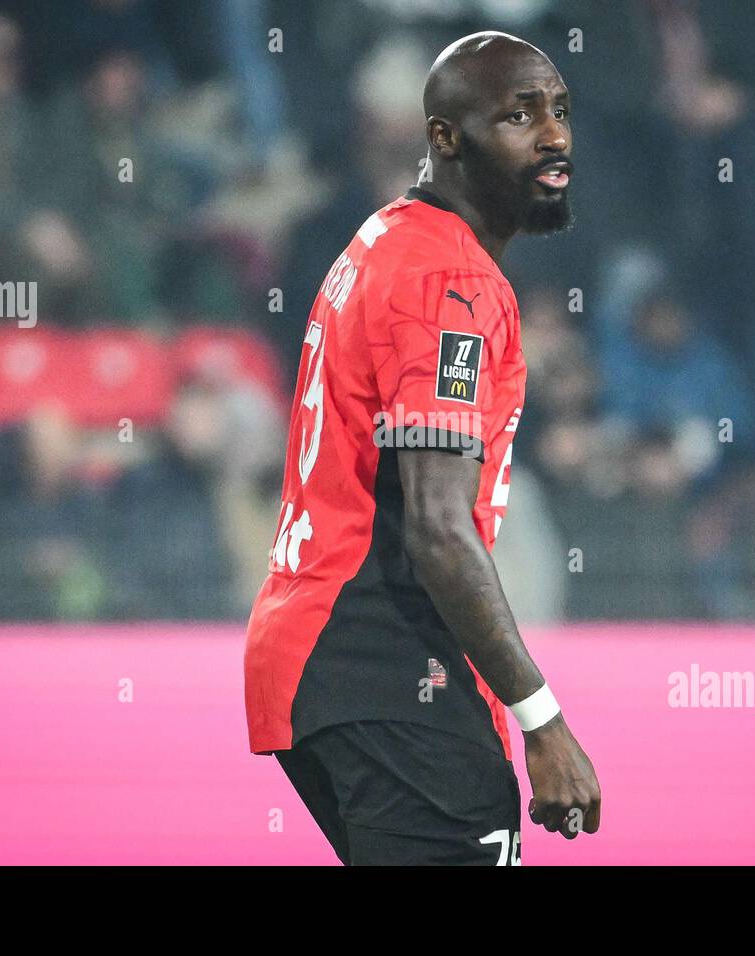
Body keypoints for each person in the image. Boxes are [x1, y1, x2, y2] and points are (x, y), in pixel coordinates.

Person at [243, 31, 601, 865]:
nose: (554, 135)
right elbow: (437, 526)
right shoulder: (449, 281)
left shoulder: (388, 239)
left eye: (559, 111)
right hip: (388, 658)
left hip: (327, 652)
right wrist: (542, 719)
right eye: (519, 116)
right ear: (446, 137)